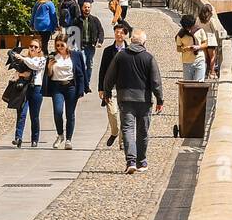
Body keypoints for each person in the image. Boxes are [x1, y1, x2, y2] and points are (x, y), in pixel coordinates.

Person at [101, 30, 164, 174]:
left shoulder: (120, 56)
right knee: (143, 131)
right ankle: (141, 161)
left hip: (125, 98)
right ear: (144, 43)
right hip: (144, 100)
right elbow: (156, 81)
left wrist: (107, 91)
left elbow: (109, 76)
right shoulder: (148, 58)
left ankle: (130, 161)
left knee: (128, 129)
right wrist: (160, 99)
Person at [46, 34, 88, 149]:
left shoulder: (75, 55)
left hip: (70, 86)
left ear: (67, 45)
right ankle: (60, 135)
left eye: (62, 45)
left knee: (70, 114)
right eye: (57, 45)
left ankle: (69, 139)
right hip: (57, 86)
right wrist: (49, 67)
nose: (59, 47)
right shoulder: (52, 56)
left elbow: (80, 73)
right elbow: (49, 75)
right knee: (58, 112)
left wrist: (81, 89)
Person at [98, 22, 131, 148]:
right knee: (113, 113)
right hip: (111, 87)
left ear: (126, 35)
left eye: (121, 32)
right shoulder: (108, 51)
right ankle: (114, 132)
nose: (119, 35)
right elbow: (102, 70)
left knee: (125, 115)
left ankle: (123, 142)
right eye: (117, 32)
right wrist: (101, 88)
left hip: (126, 88)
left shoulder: (130, 51)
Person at [10, 37, 47, 147]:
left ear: (39, 49)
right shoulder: (24, 59)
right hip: (24, 88)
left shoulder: (42, 60)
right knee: (21, 113)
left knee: (34, 116)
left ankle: (34, 139)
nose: (33, 48)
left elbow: (34, 66)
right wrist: (21, 74)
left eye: (35, 47)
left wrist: (22, 58)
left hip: (36, 89)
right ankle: (18, 137)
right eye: (31, 46)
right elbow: (17, 72)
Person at [75, 2, 104, 93]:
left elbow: (100, 31)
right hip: (81, 46)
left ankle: (87, 83)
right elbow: (71, 31)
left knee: (90, 65)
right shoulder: (77, 20)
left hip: (91, 46)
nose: (87, 9)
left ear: (90, 8)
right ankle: (82, 84)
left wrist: (100, 41)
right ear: (82, 8)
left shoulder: (94, 20)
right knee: (82, 64)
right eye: (85, 7)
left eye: (88, 7)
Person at [175, 13, 209, 81]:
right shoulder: (181, 35)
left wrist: (198, 47)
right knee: (188, 83)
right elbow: (178, 48)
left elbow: (205, 44)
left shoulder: (200, 30)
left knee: (199, 83)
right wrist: (185, 49)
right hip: (187, 62)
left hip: (199, 59)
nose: (189, 29)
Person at [198, 4, 220, 78]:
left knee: (205, 57)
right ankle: (212, 72)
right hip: (211, 40)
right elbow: (215, 29)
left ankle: (204, 73)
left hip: (202, 40)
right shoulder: (211, 20)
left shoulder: (198, 19)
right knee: (212, 57)